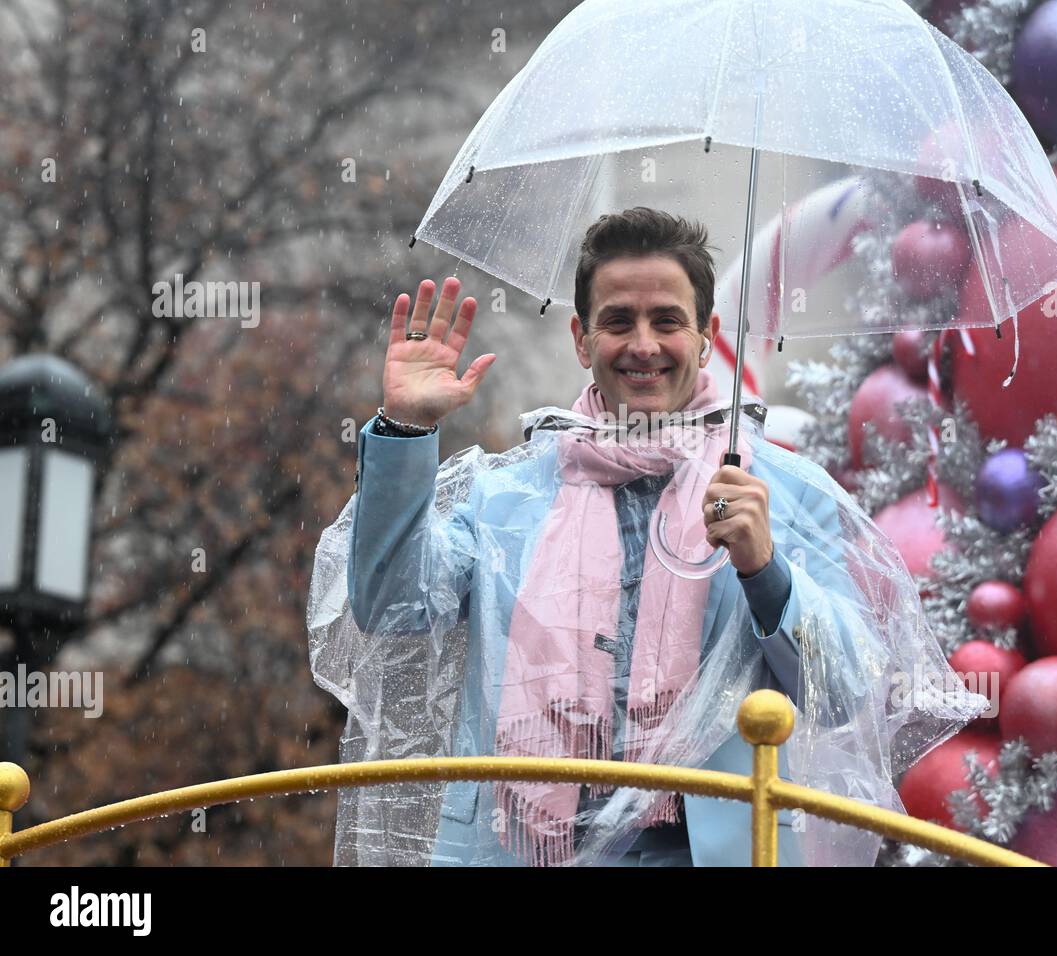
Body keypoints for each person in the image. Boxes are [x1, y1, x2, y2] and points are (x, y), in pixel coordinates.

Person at [308, 208, 986, 867]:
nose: (642, 345)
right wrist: (404, 432)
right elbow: (391, 606)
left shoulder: (776, 489)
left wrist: (766, 570)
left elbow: (848, 693)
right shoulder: (504, 498)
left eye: (667, 321)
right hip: (528, 853)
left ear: (704, 334)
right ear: (581, 339)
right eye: (617, 321)